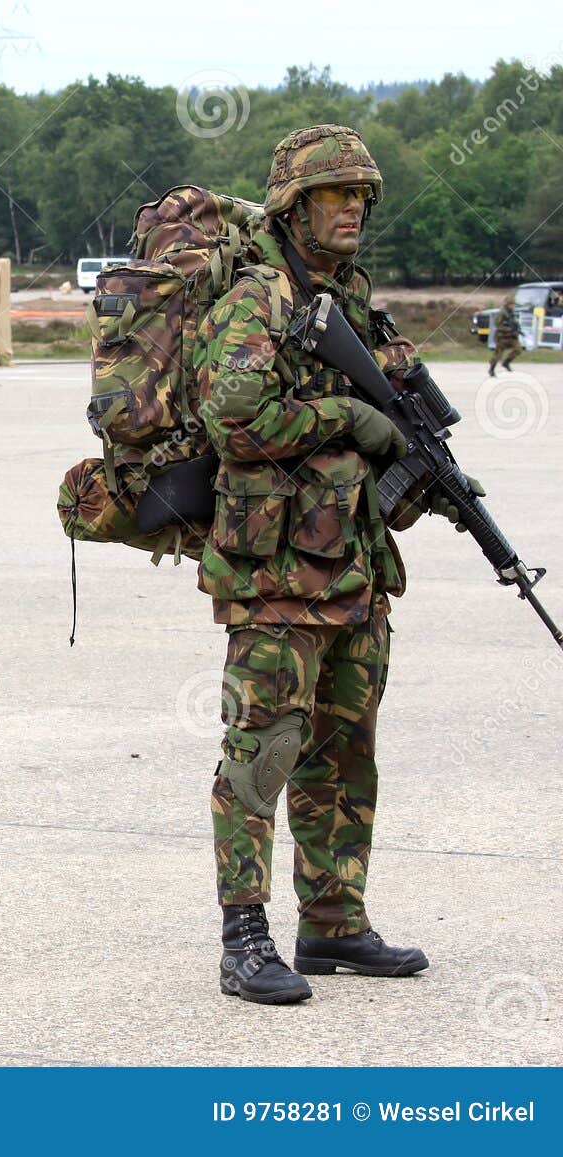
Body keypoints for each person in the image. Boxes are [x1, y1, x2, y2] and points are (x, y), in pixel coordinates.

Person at [196, 124, 459, 1005]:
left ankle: (335, 923)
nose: (353, 208)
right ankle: (243, 938)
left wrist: (422, 468)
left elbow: (392, 406)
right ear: (292, 204)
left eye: (361, 196)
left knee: (346, 752)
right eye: (335, 194)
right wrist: (346, 422)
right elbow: (234, 419)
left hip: (354, 572)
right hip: (274, 576)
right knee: (262, 751)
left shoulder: (354, 298)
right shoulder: (258, 295)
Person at [489, 297, 523, 376]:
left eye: (513, 304)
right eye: (510, 304)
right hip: (502, 337)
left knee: (518, 350)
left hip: (512, 337)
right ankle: (491, 369)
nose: (512, 306)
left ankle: (506, 363)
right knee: (498, 354)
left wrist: (517, 329)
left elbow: (516, 323)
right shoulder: (502, 313)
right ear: (506, 304)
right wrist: (508, 329)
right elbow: (497, 325)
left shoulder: (512, 313)